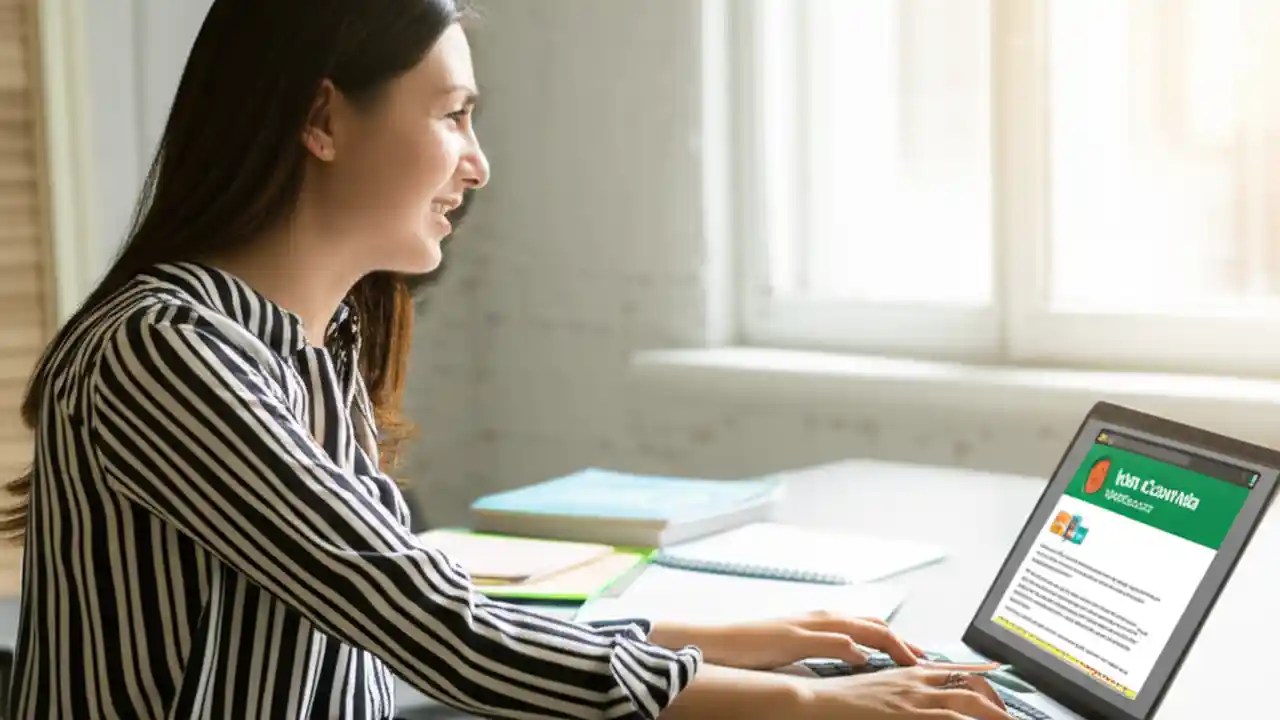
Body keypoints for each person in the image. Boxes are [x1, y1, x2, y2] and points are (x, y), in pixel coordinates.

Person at [3, 1, 1014, 718]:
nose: (478, 164)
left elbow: (418, 605)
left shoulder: (310, 346)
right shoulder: (168, 352)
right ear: (319, 120)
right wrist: (803, 704)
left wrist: (739, 641)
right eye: (452, 115)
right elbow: (436, 632)